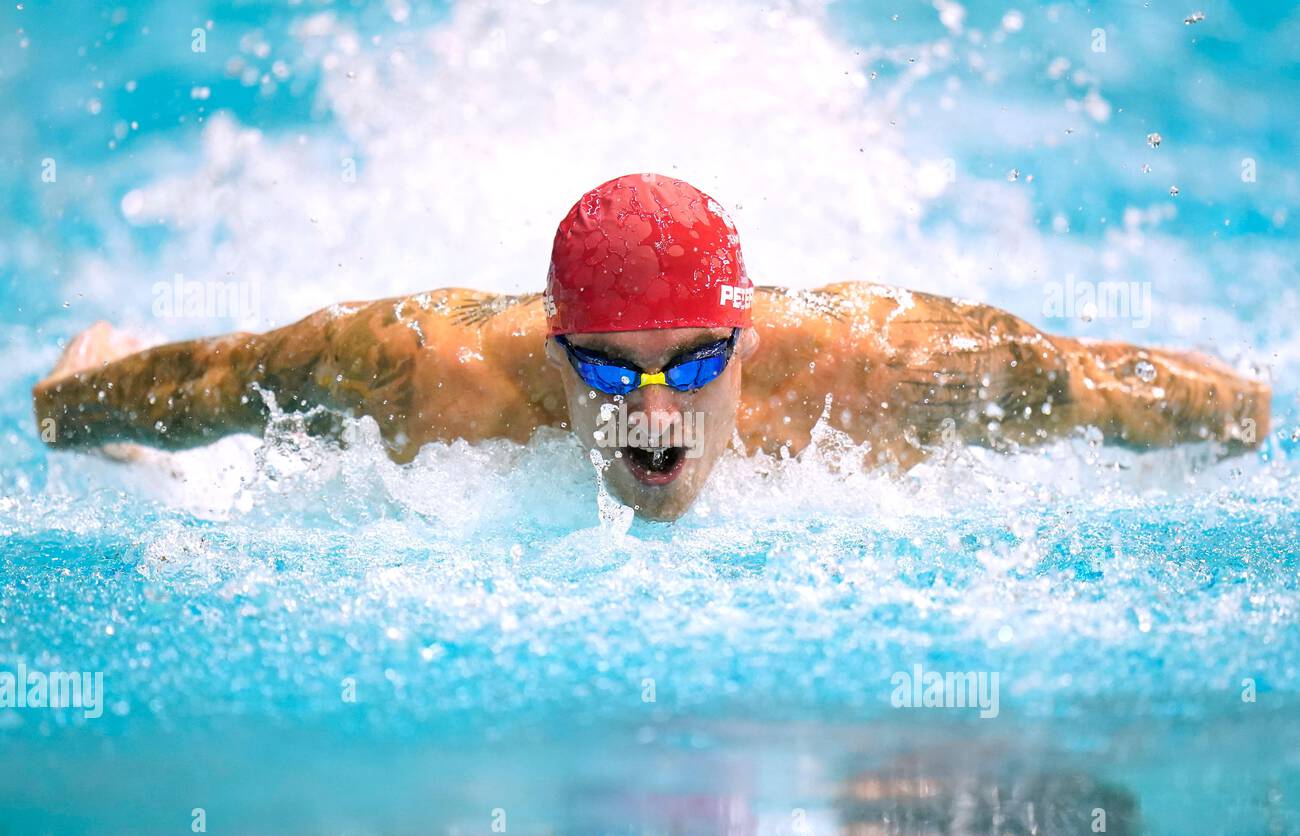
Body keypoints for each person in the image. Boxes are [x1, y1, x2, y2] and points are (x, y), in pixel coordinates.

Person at [33, 173, 1270, 521]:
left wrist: (1250, 413)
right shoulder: (428, 371)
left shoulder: (886, 365)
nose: (652, 410)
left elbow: (1102, 386)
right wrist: (74, 405)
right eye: (608, 369)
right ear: (552, 345)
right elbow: (221, 381)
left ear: (747, 337)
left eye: (693, 362)